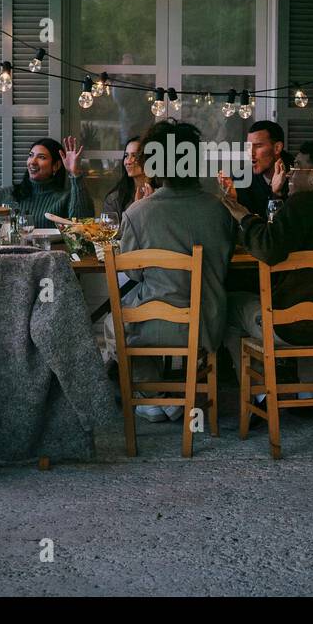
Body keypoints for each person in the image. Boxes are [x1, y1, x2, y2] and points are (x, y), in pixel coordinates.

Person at [219, 140, 313, 414]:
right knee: (309, 296)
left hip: (289, 329)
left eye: (297, 166)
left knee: (229, 306)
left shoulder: (301, 204)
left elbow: (268, 249)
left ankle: (258, 398)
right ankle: (307, 392)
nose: (288, 173)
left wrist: (244, 217)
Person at [115, 120, 236, 422]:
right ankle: (170, 398)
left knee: (112, 324)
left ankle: (157, 398)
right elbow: (224, 262)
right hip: (209, 324)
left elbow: (134, 274)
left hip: (153, 326)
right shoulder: (221, 209)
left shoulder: (136, 213)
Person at [0, 133, 94, 228]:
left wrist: (75, 175)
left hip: (50, 266)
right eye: (30, 155)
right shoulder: (8, 195)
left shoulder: (66, 198)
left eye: (42, 157)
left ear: (56, 166)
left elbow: (82, 226)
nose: (32, 162)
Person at [219, 119, 289, 217]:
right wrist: (232, 201)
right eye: (249, 147)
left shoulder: (297, 177)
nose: (251, 153)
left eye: (258, 146)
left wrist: (276, 194)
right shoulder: (241, 177)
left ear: (277, 148)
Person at [100, 136, 154, 217]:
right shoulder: (114, 199)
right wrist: (136, 209)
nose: (128, 162)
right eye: (126, 155)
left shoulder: (162, 194)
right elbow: (109, 228)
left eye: (134, 156)